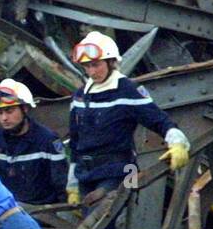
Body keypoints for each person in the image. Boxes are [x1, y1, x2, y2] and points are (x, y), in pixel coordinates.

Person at [66, 30, 189, 208]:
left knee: (98, 221)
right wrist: (72, 185)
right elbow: (75, 142)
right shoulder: (80, 96)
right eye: (87, 66)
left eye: (96, 65)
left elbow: (159, 120)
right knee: (92, 227)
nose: (92, 71)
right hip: (85, 174)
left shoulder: (127, 90)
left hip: (116, 172)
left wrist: (177, 143)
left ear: (110, 62)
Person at [0, 78, 67, 205]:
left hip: (44, 210)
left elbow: (61, 182)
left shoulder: (47, 140)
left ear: (25, 109)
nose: (4, 118)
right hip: (11, 209)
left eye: (9, 111)